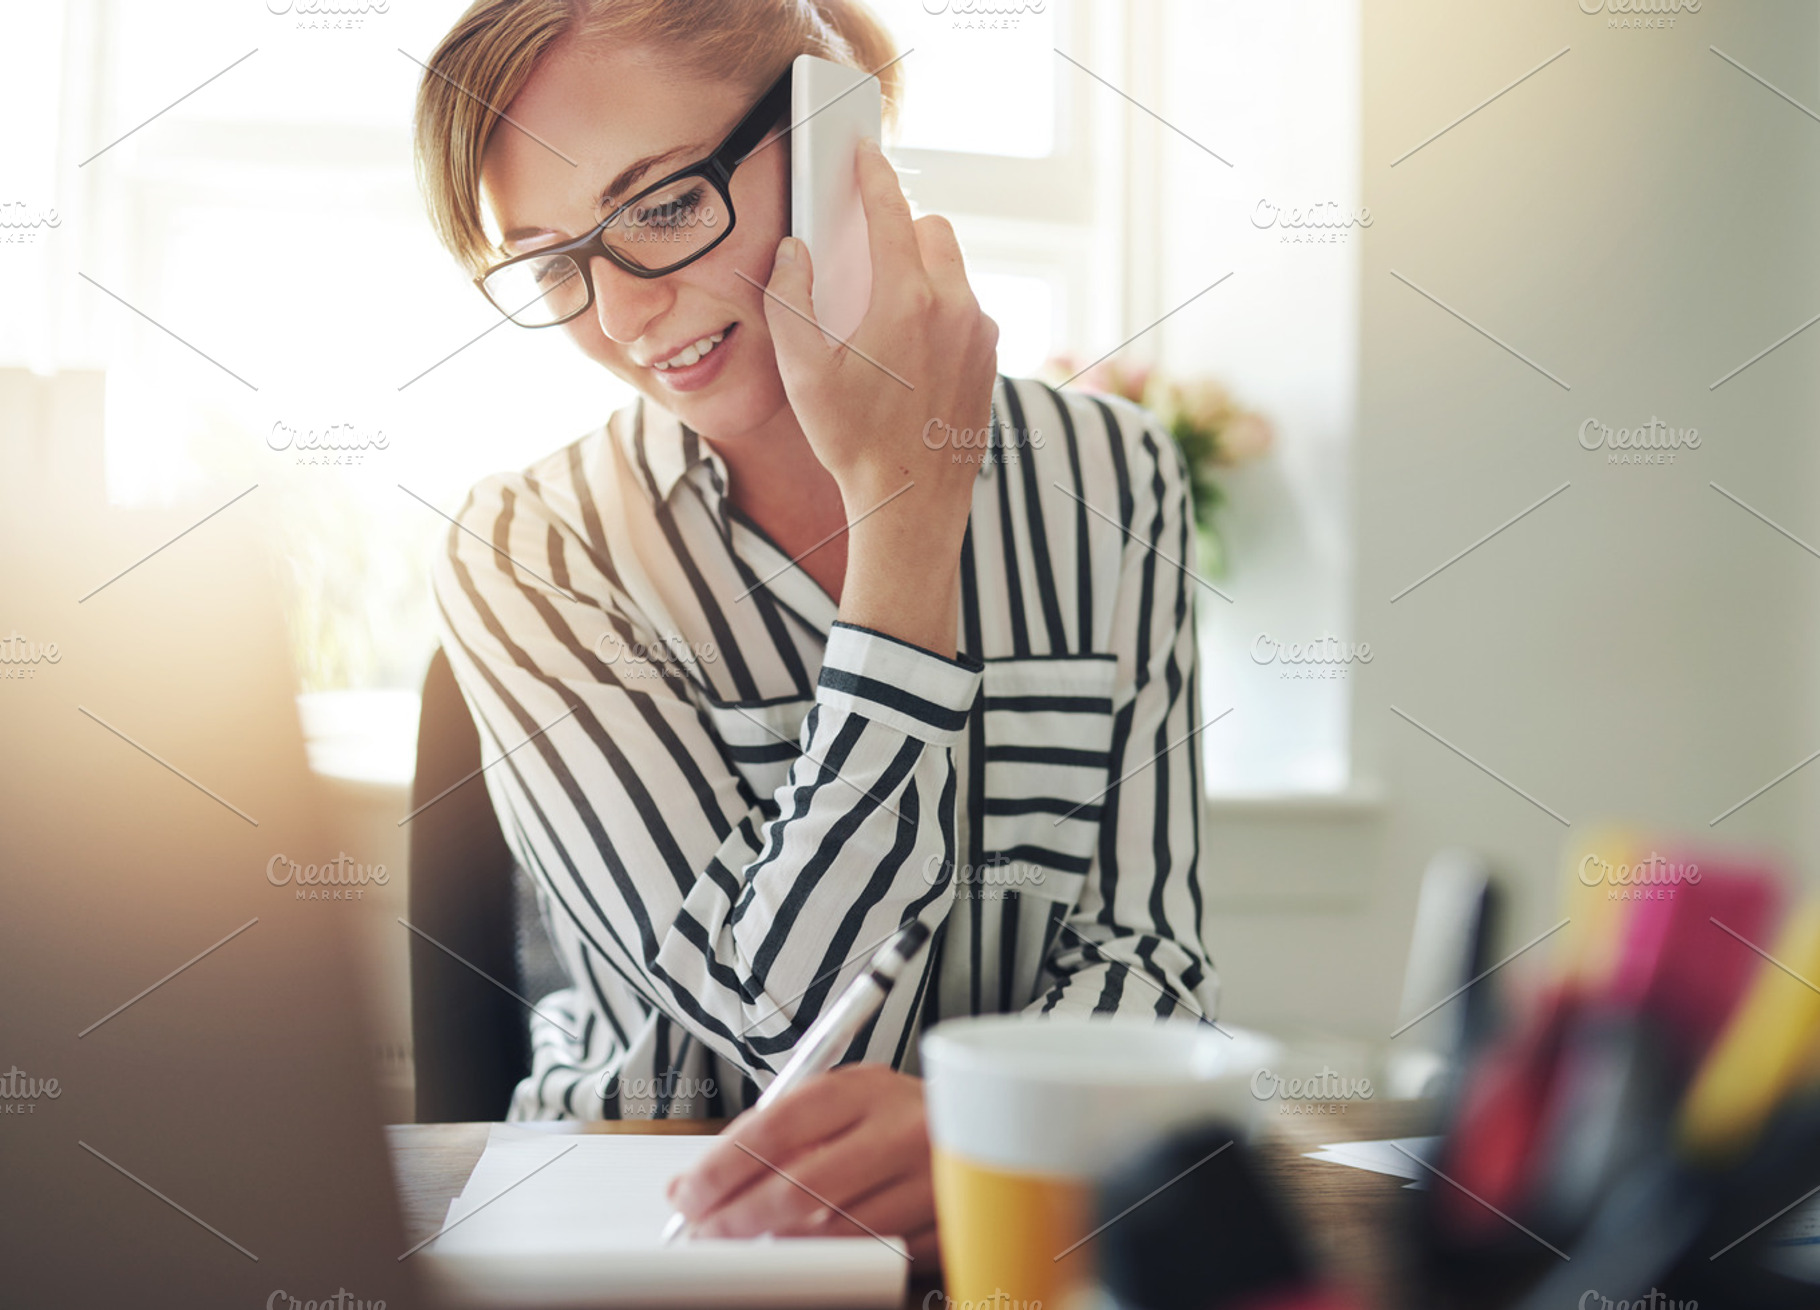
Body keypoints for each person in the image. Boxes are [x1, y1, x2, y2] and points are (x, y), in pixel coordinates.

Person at [412, 0, 1218, 1261]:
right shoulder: (529, 548)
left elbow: (1148, 955)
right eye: (556, 262)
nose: (622, 316)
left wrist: (984, 1134)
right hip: (659, 1231)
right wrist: (906, 523)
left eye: (661, 206)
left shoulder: (1110, 478)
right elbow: (772, 1019)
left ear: (834, 134)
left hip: (1017, 1229)